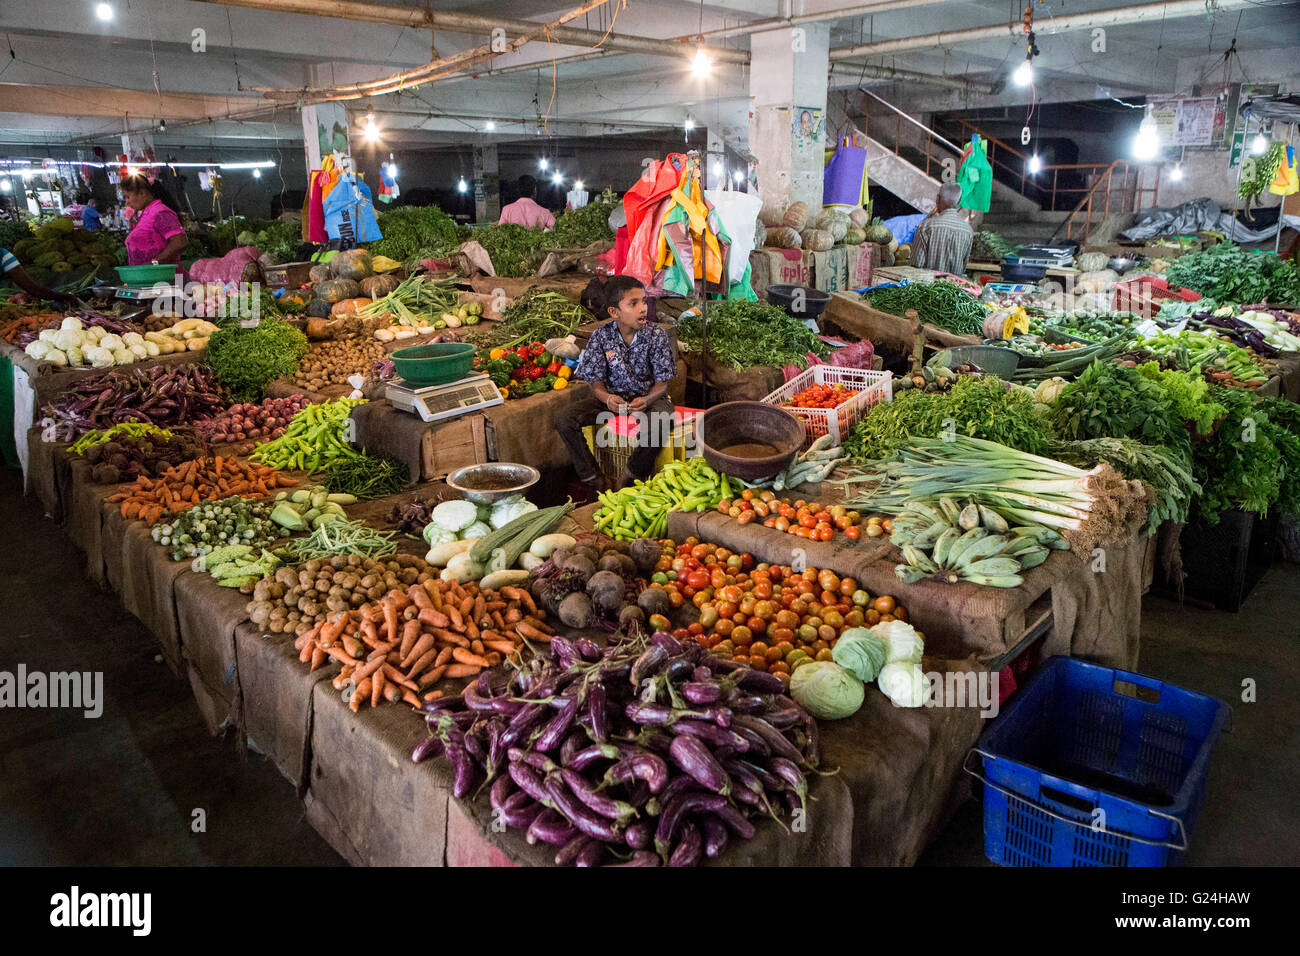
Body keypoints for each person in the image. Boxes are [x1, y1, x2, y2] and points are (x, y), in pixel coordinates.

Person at [555, 275, 675, 494]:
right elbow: (595, 384)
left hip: (650, 400)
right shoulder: (601, 337)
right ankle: (593, 477)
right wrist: (607, 399)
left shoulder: (656, 335)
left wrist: (646, 400)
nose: (642, 308)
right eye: (634, 303)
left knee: (659, 424)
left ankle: (628, 477)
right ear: (614, 312)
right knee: (564, 419)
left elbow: (662, 385)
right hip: (613, 401)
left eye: (644, 301)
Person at [120, 174, 187, 266]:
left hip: (166, 278)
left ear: (142, 193)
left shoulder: (160, 212)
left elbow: (180, 242)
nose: (127, 202)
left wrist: (154, 263)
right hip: (149, 277)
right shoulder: (147, 213)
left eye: (128, 197)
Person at [911, 182, 974, 275]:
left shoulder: (925, 227)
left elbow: (916, 265)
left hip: (927, 288)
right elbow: (963, 266)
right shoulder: (968, 231)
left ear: (938, 199)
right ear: (959, 200)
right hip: (955, 288)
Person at [1, 247, 79, 305]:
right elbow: (33, 289)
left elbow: (33, 289)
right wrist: (61, 296)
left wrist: (61, 296)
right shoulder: (3, 254)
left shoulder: (4, 256)